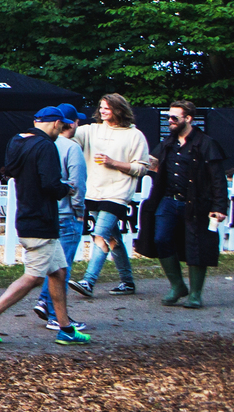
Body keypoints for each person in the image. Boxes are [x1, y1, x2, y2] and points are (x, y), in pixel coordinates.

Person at [0, 108, 88, 345]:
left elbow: (12, 171)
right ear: (56, 123)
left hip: (26, 214)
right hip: (40, 220)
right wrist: (68, 188)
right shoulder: (46, 147)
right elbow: (50, 185)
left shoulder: (17, 141)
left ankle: (65, 328)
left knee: (59, 272)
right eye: (61, 126)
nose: (61, 130)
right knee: (33, 277)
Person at [137, 99, 227, 308]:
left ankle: (195, 294)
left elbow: (217, 179)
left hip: (196, 203)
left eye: (174, 117)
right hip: (168, 200)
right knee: (160, 239)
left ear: (188, 119)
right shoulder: (168, 143)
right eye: (168, 117)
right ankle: (177, 286)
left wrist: (219, 207)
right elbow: (152, 163)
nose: (170, 121)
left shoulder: (206, 143)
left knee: (196, 245)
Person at [74, 93, 151, 296]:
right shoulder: (90, 130)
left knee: (100, 234)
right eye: (100, 107)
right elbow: (68, 136)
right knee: (112, 238)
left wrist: (113, 163)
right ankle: (128, 282)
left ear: (119, 109)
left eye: (106, 107)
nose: (102, 111)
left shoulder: (134, 135)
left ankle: (88, 282)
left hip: (117, 193)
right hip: (94, 191)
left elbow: (142, 168)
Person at [34, 105, 87, 326]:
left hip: (43, 213)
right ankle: (56, 314)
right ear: (68, 122)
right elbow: (77, 184)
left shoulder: (34, 144)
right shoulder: (71, 148)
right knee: (62, 269)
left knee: (52, 265)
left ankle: (45, 301)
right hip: (66, 213)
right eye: (77, 121)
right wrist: (80, 211)